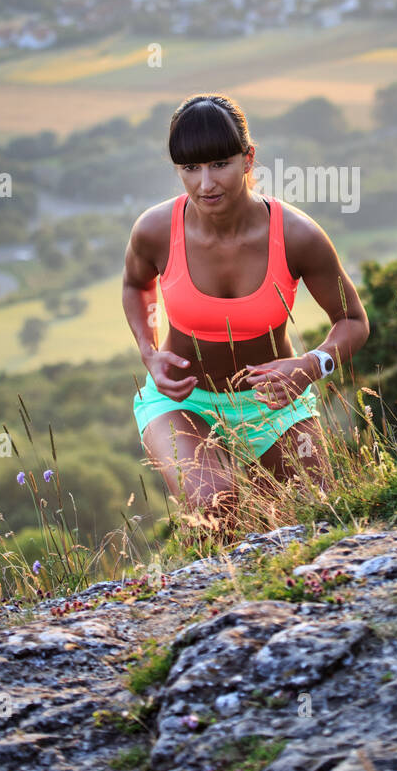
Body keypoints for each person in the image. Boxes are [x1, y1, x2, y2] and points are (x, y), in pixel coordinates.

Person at [122, 93, 370, 539]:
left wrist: (312, 366)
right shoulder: (155, 230)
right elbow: (135, 286)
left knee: (319, 521)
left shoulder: (297, 236)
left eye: (220, 164)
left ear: (248, 158)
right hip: (183, 402)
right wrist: (148, 352)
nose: (205, 184)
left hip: (274, 406)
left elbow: (352, 320)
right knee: (217, 505)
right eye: (189, 168)